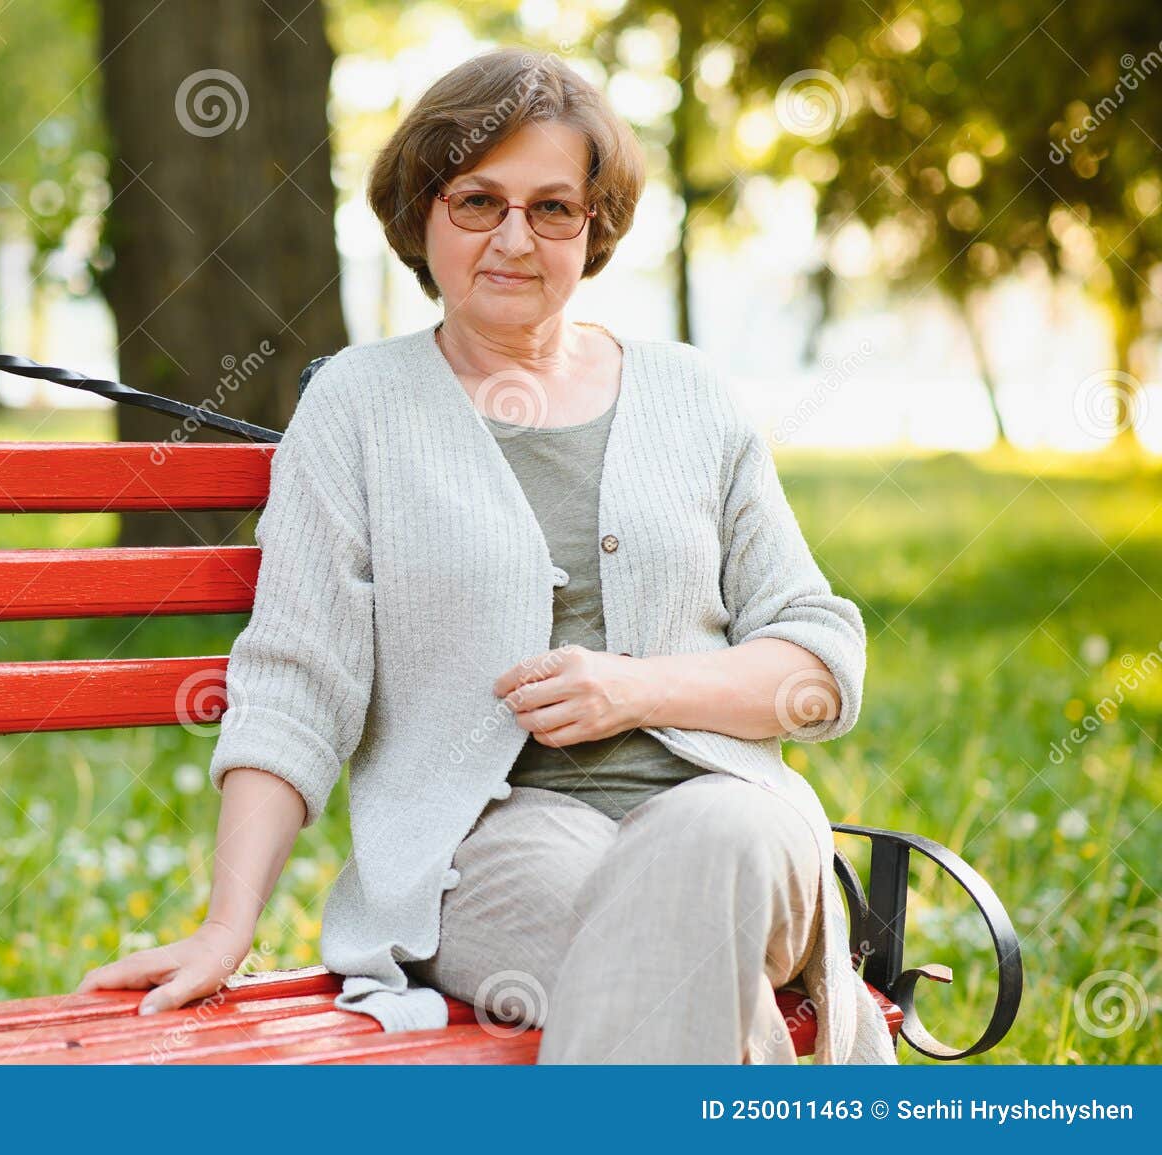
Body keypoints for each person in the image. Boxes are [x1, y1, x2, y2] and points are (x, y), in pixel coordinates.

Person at [77, 46, 898, 1064]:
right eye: (478, 202)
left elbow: (818, 664)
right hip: (495, 847)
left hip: (732, 813)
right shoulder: (357, 408)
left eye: (553, 207)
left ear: (592, 227)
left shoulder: (690, 396)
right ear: (422, 214)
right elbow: (296, 682)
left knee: (705, 848)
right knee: (663, 966)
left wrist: (635, 689)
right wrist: (223, 923)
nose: (515, 238)